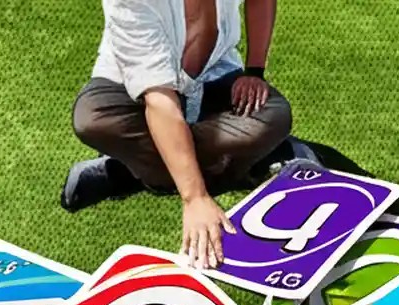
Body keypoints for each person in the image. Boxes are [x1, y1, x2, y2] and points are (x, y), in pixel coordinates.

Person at [62, 0, 309, 269]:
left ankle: (126, 173)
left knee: (272, 116)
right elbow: (159, 99)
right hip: (131, 83)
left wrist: (255, 72)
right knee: (93, 119)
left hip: (215, 73)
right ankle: (250, 165)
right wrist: (195, 197)